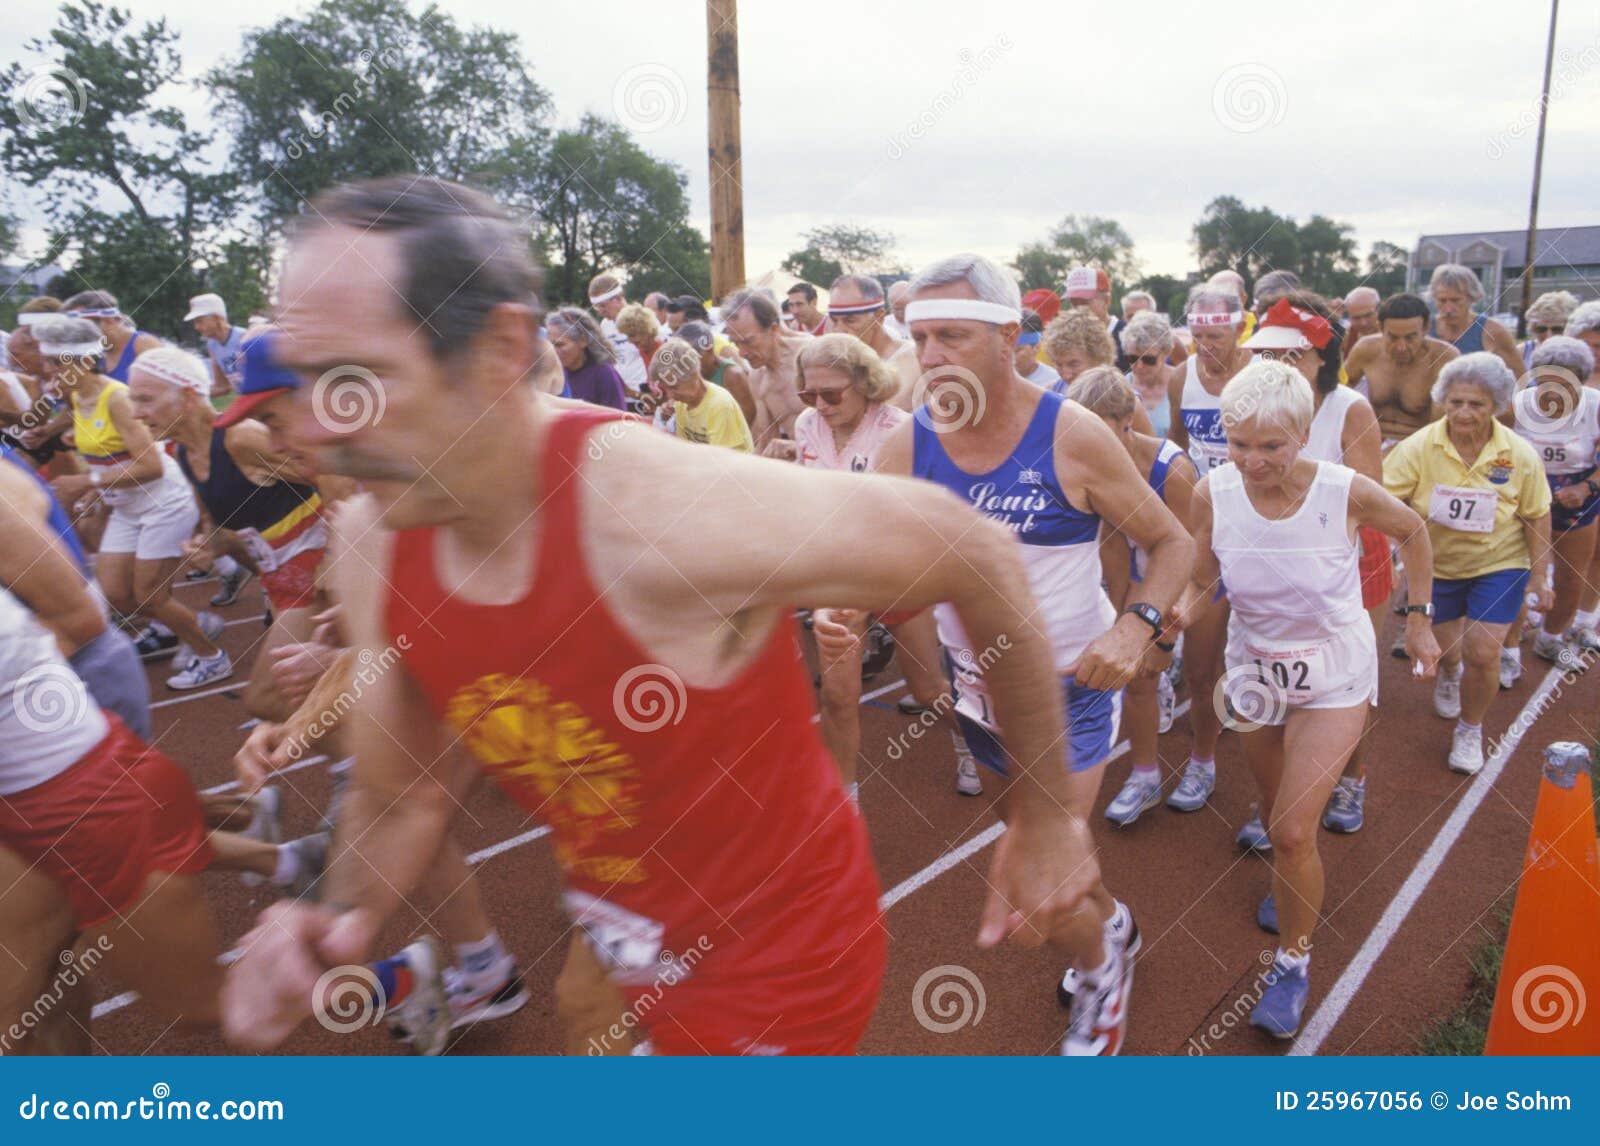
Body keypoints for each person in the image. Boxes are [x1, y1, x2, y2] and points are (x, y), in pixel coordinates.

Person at [221, 177, 1099, 1057]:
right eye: (307, 380)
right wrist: (336, 916)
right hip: (621, 923)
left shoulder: (650, 509)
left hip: (780, 961)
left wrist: (1045, 816)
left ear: (500, 349)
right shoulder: (373, 543)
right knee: (583, 1021)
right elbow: (401, 790)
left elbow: (972, 550)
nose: (318, 432)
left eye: (358, 380)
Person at [877, 252, 1194, 1055]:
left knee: (1039, 888)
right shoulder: (910, 442)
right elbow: (868, 558)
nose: (932, 355)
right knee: (1036, 842)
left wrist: (1135, 628)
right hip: (977, 693)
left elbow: (1172, 542)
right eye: (921, 338)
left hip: (1070, 688)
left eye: (952, 335)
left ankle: (1101, 974)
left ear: (1008, 337)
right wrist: (848, 605)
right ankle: (1112, 923)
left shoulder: (1071, 434)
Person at [1174, 359, 1438, 1038]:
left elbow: (1414, 530)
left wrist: (1419, 618)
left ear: (1303, 434)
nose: (1253, 461)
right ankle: (1293, 882)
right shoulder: (1212, 492)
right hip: (1254, 671)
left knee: (1291, 831)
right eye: (1239, 444)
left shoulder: (1344, 490)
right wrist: (1168, 620)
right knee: (1273, 813)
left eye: (1272, 445)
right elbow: (1204, 578)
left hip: (1334, 673)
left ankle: (1292, 964)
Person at [1241, 295, 1390, 833]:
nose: (1277, 365)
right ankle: (1279, 801)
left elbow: (1370, 502)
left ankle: (1352, 777)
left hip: (1351, 561)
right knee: (1271, 680)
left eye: (1292, 355)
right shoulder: (1252, 404)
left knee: (1348, 680)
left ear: (1322, 357)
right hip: (1272, 561)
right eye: (1268, 354)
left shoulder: (1349, 408)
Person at [127, 340, 332, 720]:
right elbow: (220, 527)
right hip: (276, 576)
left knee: (268, 697)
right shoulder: (182, 453)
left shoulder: (242, 437)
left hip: (315, 571)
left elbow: (334, 475)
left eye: (145, 400)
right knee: (304, 688)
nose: (136, 413)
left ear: (188, 397)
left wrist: (342, 556)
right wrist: (208, 545)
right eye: (133, 401)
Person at [785, 334, 952, 797]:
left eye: (831, 394)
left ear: (864, 383)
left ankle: (970, 745)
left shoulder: (901, 430)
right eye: (809, 394)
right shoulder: (807, 424)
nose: (820, 405)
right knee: (838, 697)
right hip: (840, 574)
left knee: (929, 691)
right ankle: (846, 800)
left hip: (898, 570)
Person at [37, 316, 232, 690]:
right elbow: (104, 454)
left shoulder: (117, 398)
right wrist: (96, 489)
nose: (47, 372)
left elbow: (151, 465)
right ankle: (192, 623)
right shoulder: (78, 398)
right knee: (114, 594)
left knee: (150, 596)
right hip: (126, 503)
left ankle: (212, 657)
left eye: (54, 363)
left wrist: (87, 482)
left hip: (163, 500)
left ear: (79, 362)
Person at [1383, 353, 1552, 773]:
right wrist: (1387, 552)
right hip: (1436, 567)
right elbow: (1383, 499)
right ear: (1443, 400)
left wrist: (1539, 576)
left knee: (1483, 651)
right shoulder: (1418, 447)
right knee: (1449, 651)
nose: (1463, 412)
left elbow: (1537, 514)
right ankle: (1449, 672)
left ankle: (1470, 728)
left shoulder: (1519, 453)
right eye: (1455, 402)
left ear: (1495, 405)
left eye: (1476, 404)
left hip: (1500, 563)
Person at [1073, 367, 1196, 826]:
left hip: (1196, 573)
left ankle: (1203, 762)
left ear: (1128, 422)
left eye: (1101, 434)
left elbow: (1193, 552)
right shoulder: (1088, 465)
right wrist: (1128, 621)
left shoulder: (1173, 470)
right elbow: (1111, 545)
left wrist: (1163, 635)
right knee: (1138, 678)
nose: (1090, 446)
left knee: (1204, 678)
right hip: (1137, 568)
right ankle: (1145, 776)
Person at [1165, 284, 1252, 825]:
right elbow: (1178, 448)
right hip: (1207, 532)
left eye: (1216, 335)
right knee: (1200, 666)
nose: (1206, 346)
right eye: (1198, 335)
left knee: (1267, 664)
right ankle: (1201, 762)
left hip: (1262, 534)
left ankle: (1276, 781)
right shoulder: (1182, 376)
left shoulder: (1263, 374)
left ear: (1240, 328)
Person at [1508, 337, 1600, 664]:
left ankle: (1551, 639)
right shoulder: (1515, 404)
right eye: (1547, 384)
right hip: (1523, 490)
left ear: (1583, 381)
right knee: (1512, 572)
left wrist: (1587, 487)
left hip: (1576, 491)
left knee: (1571, 575)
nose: (1555, 394)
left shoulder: (1595, 405)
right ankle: (1508, 647)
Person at [1345, 293, 1458, 445]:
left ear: (1425, 329)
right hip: (1371, 440)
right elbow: (1337, 390)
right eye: (1393, 338)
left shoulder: (1444, 358)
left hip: (1418, 445)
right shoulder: (1365, 349)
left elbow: (1440, 430)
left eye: (1410, 338)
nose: (1401, 347)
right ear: (1381, 328)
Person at [721, 287, 810, 449]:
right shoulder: (757, 378)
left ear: (774, 330)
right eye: (736, 343)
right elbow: (766, 439)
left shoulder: (810, 354)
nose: (741, 353)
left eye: (748, 341)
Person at [1563, 302, 1600, 644]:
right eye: (1586, 345)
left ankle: (1585, 619)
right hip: (1568, 473)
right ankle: (1546, 615)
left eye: (1599, 346)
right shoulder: (1560, 376)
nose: (1593, 353)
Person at [824, 273, 920, 403]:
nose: (839, 330)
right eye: (835, 321)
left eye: (850, 320)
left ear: (879, 317)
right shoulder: (840, 361)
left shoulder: (910, 358)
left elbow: (885, 412)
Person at [650, 338, 753, 452]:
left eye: (674, 387)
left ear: (694, 376)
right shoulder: (681, 405)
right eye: (665, 389)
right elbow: (685, 449)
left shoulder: (719, 405)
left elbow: (723, 458)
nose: (670, 396)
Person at [1425, 263, 1524, 378]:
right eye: (1442, 301)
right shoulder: (1424, 330)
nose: (1448, 309)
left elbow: (1521, 379)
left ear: (1471, 298)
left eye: (1456, 300)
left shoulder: (1493, 332)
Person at [62, 290, 163, 383]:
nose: (78, 334)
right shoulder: (96, 353)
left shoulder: (144, 344)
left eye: (83, 327)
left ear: (108, 320)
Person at [677, 319, 757, 425]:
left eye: (691, 359)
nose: (687, 366)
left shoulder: (733, 376)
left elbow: (747, 418)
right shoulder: (687, 373)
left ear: (709, 351)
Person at [546, 307, 628, 410]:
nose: (553, 351)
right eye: (550, 344)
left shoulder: (604, 374)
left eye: (560, 345)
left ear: (583, 341)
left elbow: (617, 415)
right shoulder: (551, 374)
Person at [586, 273, 648, 394]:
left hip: (645, 393)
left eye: (603, 305)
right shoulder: (605, 324)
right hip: (620, 393)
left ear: (618, 298)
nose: (600, 311)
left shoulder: (642, 319)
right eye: (596, 307)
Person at [1120, 310, 1178, 439]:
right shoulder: (1121, 389)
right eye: (1132, 358)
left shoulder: (1183, 383)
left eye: (1149, 360)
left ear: (1166, 353)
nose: (1140, 366)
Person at [1041, 306, 1117, 396]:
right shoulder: (1051, 393)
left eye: (1074, 364)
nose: (1066, 375)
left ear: (1098, 358)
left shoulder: (1119, 396)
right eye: (1059, 365)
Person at [185, 292, 246, 401]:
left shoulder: (244, 337)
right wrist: (190, 395)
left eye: (200, 321)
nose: (196, 327)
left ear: (216, 318)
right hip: (247, 401)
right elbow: (222, 387)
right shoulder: (212, 345)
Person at [1065, 265, 1129, 371]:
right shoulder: (1067, 337)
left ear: (1106, 300)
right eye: (1074, 303)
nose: (1079, 309)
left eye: (1085, 302)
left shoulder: (1127, 337)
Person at [1517, 291, 1581, 366]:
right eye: (1541, 329)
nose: (1548, 336)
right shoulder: (1521, 353)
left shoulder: (1581, 356)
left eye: (1557, 329)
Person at [1014, 309, 1061, 390]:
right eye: (1005, 350)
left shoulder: (1055, 382)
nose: (1009, 357)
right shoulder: (993, 377)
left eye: (1017, 350)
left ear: (1036, 347)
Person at [614, 303, 665, 372]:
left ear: (646, 331)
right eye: (627, 335)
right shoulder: (643, 349)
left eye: (632, 335)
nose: (629, 341)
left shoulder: (663, 352)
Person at [1342, 286, 1381, 361]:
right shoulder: (1346, 336)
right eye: (1356, 318)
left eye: (1368, 315)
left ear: (1379, 310)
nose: (1363, 323)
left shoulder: (1394, 335)